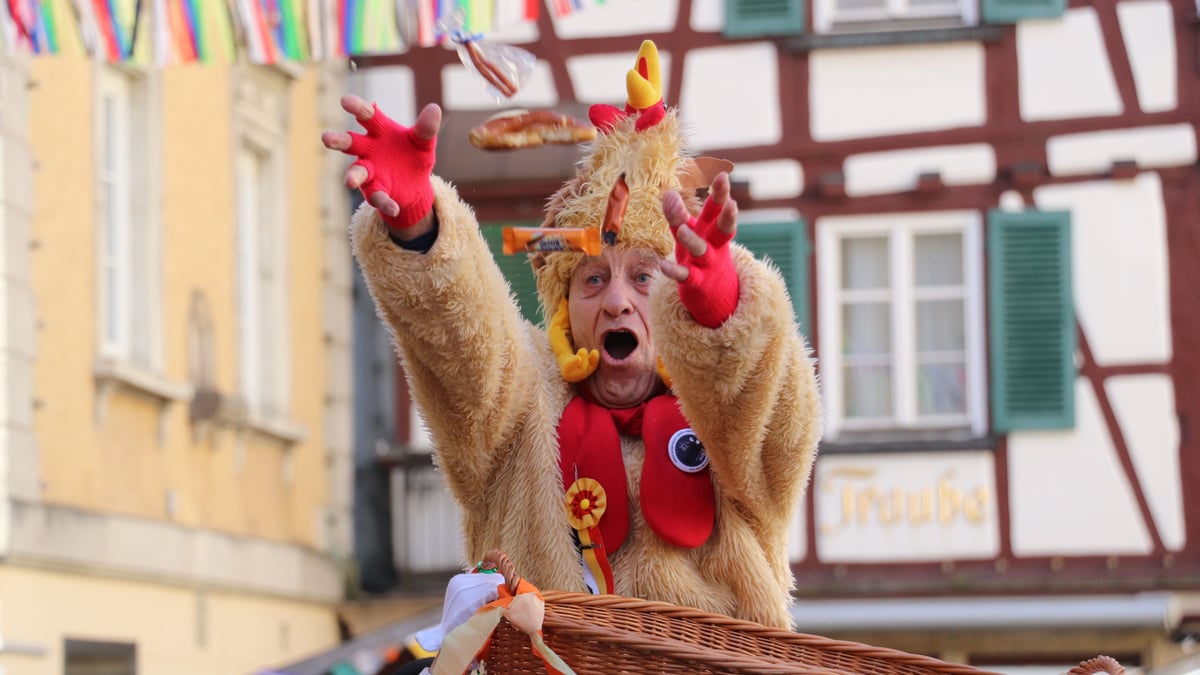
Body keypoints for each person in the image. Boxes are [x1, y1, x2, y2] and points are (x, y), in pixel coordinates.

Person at [323, 40, 822, 631]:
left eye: (643, 276)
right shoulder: (521, 411)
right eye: (591, 280)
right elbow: (467, 342)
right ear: (563, 311)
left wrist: (719, 308)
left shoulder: (725, 431)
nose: (616, 301)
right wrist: (418, 229)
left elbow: (775, 410)